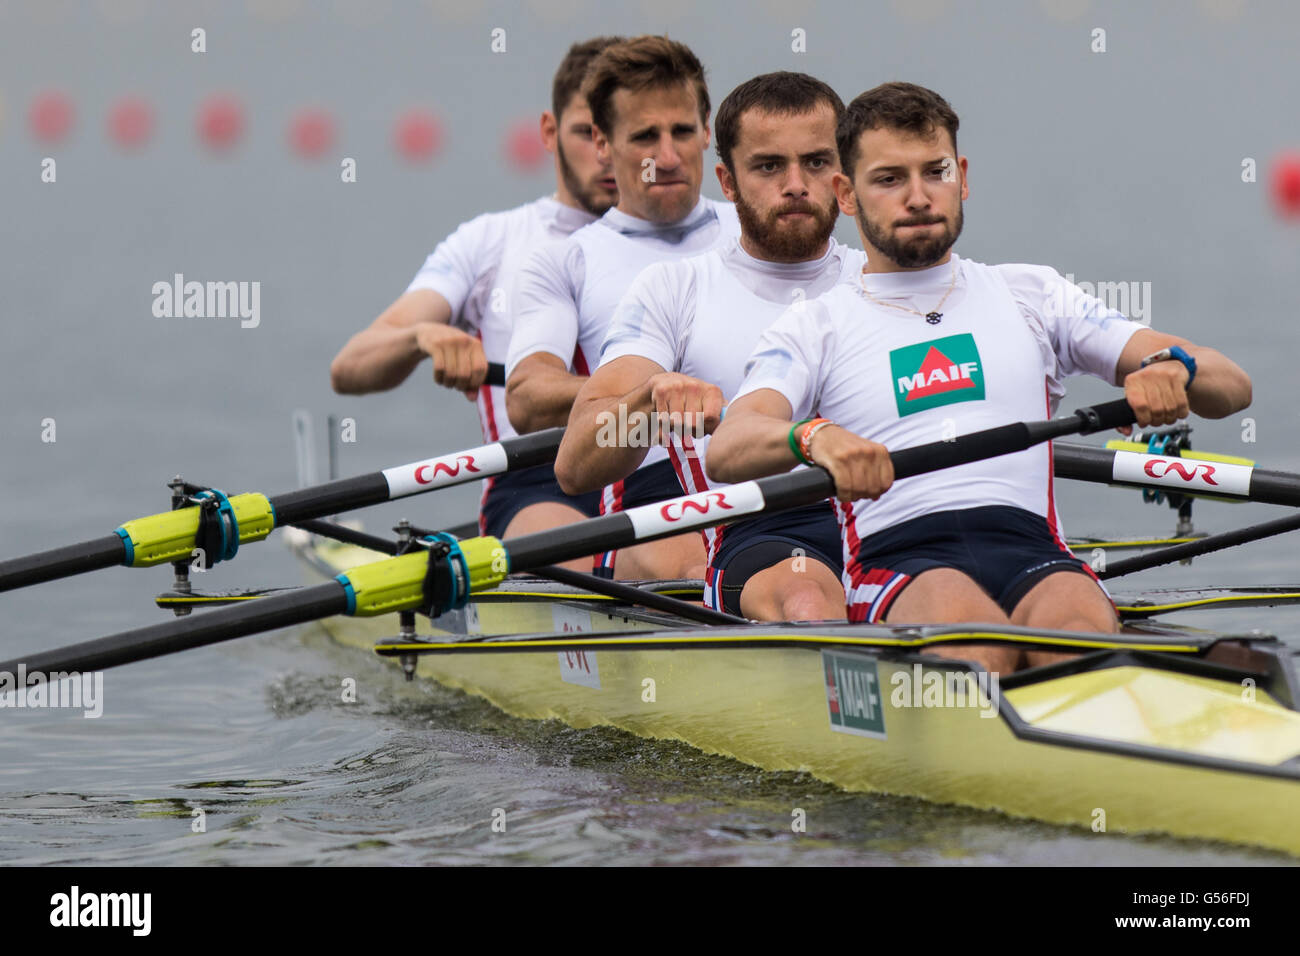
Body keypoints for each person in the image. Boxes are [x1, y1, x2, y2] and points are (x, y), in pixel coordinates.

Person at [707, 82, 1251, 672]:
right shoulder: (813, 325)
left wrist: (1176, 369)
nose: (918, 197)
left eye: (934, 172)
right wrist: (812, 438)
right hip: (901, 561)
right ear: (846, 194)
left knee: (1079, 636)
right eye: (889, 179)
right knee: (977, 642)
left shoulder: (1031, 295)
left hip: (1033, 550)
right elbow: (731, 447)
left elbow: (1232, 387)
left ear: (962, 177)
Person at [555, 72, 862, 621]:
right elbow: (576, 466)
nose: (795, 184)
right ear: (727, 180)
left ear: (844, 173)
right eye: (768, 166)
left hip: (889, 519)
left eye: (816, 162)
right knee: (806, 597)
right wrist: (648, 403)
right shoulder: (675, 290)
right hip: (762, 531)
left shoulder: (880, 280)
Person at [328, 38, 623, 566]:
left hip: (658, 465)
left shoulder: (688, 240)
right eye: (587, 133)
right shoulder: (491, 241)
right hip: (540, 477)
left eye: (619, 135)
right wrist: (421, 338)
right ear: (550, 134)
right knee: (581, 559)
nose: (606, 154)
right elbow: (350, 367)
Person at [505, 35, 739, 581]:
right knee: (686, 561)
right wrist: (645, 394)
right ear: (603, 144)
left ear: (708, 131)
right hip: (654, 494)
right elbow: (526, 397)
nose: (668, 156)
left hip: (782, 472)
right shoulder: (566, 262)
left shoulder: (759, 231)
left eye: (683, 131)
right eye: (644, 137)